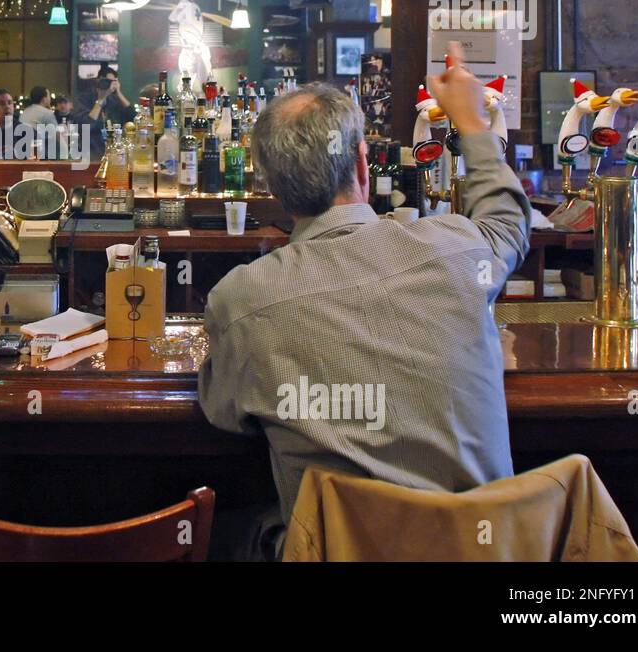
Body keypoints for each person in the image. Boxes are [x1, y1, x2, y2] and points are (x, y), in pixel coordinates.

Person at [198, 44, 529, 560]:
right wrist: (472, 123)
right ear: (361, 161)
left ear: (273, 187)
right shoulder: (457, 249)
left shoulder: (241, 301)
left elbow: (223, 413)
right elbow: (509, 223)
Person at [76, 65, 134, 158]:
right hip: (91, 152)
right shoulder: (85, 98)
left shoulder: (115, 100)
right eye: (106, 81)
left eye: (112, 82)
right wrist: (101, 99)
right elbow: (86, 126)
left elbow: (133, 118)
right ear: (97, 81)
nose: (109, 85)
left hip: (113, 152)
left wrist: (119, 93)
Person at [169, 0, 211, 86]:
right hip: (187, 47)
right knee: (185, 85)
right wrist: (180, 7)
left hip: (195, 47)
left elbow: (191, 29)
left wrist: (195, 50)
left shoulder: (192, 7)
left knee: (205, 83)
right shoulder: (184, 5)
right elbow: (172, 18)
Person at [20, 85, 59, 159]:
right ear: (44, 99)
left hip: (22, 151)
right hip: (38, 152)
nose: (50, 99)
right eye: (49, 96)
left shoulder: (26, 111)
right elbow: (57, 136)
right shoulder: (47, 113)